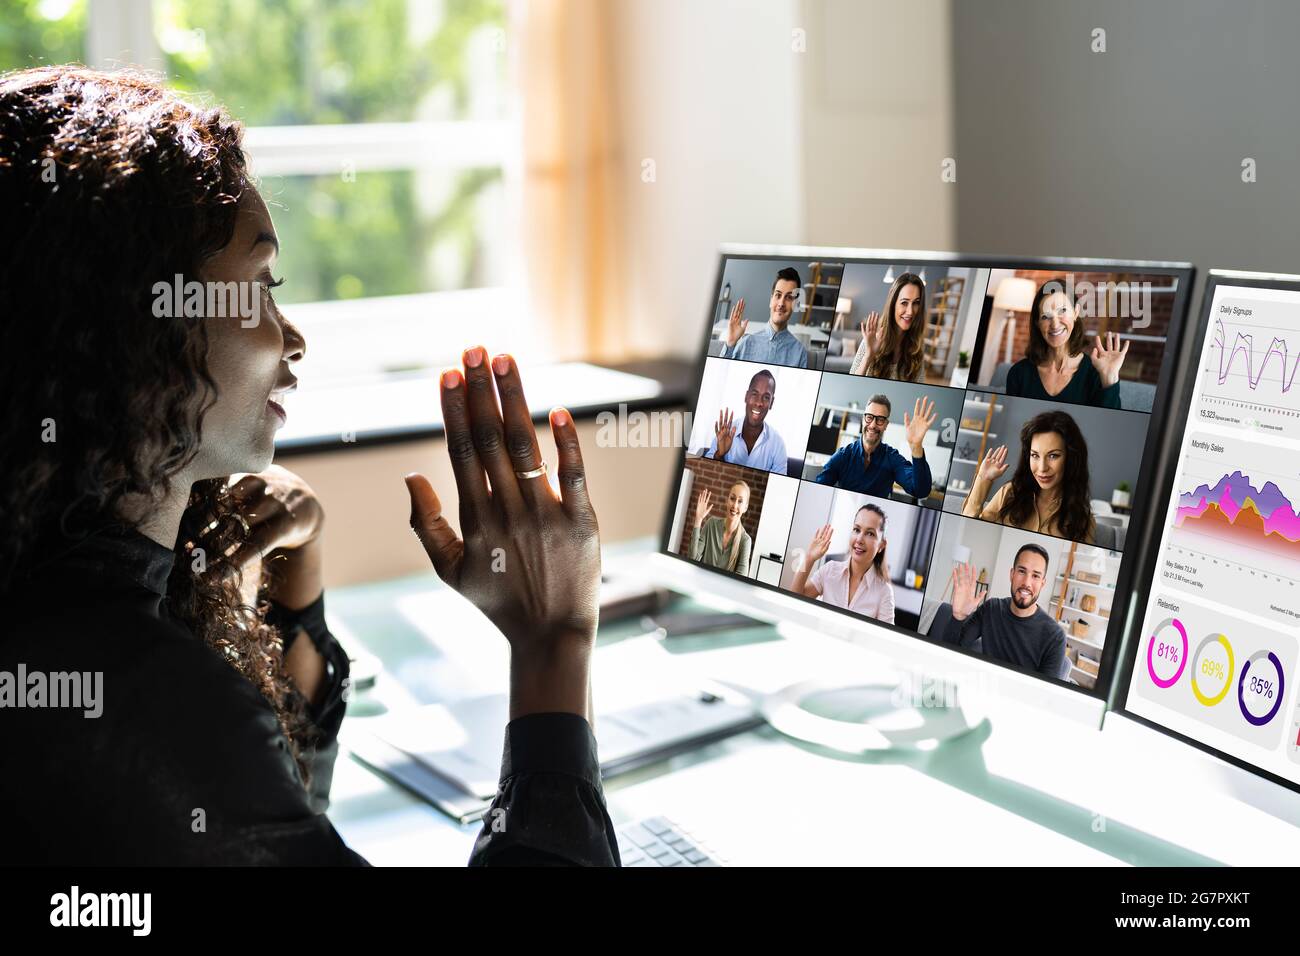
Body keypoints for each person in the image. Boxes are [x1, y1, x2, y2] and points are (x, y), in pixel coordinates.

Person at [0, 66, 617, 866]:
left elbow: (275, 824)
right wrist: (553, 641)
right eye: (258, 286)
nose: (291, 338)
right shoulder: (135, 699)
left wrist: (299, 570)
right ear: (128, 324)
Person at [961, 409, 1096, 543]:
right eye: (1035, 455)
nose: (1042, 468)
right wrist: (983, 479)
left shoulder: (1083, 519)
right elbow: (968, 534)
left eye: (1053, 455)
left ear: (1071, 457)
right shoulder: (1010, 493)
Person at [938, 547, 1066, 680]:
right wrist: (958, 616)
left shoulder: (1055, 637)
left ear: (1042, 583)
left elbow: (1046, 696)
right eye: (1022, 571)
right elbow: (950, 651)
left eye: (1035, 576)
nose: (1027, 583)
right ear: (1012, 574)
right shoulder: (991, 608)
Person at [1004, 277, 1128, 408]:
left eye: (1062, 311)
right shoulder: (1019, 373)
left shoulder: (1096, 374)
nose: (1055, 324)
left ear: (1075, 312)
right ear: (1037, 323)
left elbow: (1108, 425)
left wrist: (1109, 379)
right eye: (1045, 316)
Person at [814, 393, 935, 500]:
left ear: (886, 424)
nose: (872, 425)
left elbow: (920, 491)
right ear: (863, 419)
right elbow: (819, 490)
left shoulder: (892, 458)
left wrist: (916, 446)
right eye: (869, 417)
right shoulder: (843, 455)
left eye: (880, 420)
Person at [788, 504, 895, 623]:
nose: (859, 539)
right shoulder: (830, 570)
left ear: (882, 545)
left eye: (870, 533)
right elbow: (794, 599)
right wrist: (809, 558)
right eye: (857, 530)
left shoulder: (884, 591)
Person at [718, 267, 809, 369]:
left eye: (788, 297)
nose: (781, 303)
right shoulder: (746, 343)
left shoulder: (800, 353)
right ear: (771, 300)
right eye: (778, 295)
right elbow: (720, 377)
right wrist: (730, 343)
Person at [703, 368, 789, 474]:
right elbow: (707, 472)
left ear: (771, 403)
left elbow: (777, 485)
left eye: (766, 397)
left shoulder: (778, 444)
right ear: (746, 396)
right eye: (755, 394)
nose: (759, 403)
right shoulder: (725, 433)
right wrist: (719, 455)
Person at [849, 272, 927, 381]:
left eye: (916, 303)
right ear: (893, 304)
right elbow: (852, 382)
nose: (910, 312)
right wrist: (869, 355)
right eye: (904, 303)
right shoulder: (871, 340)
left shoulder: (917, 347)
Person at [688, 482, 753, 574]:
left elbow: (740, 580)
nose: (734, 505)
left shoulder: (745, 541)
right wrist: (698, 520)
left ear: (745, 507)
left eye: (740, 501)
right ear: (727, 500)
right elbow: (692, 558)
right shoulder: (711, 524)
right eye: (732, 498)